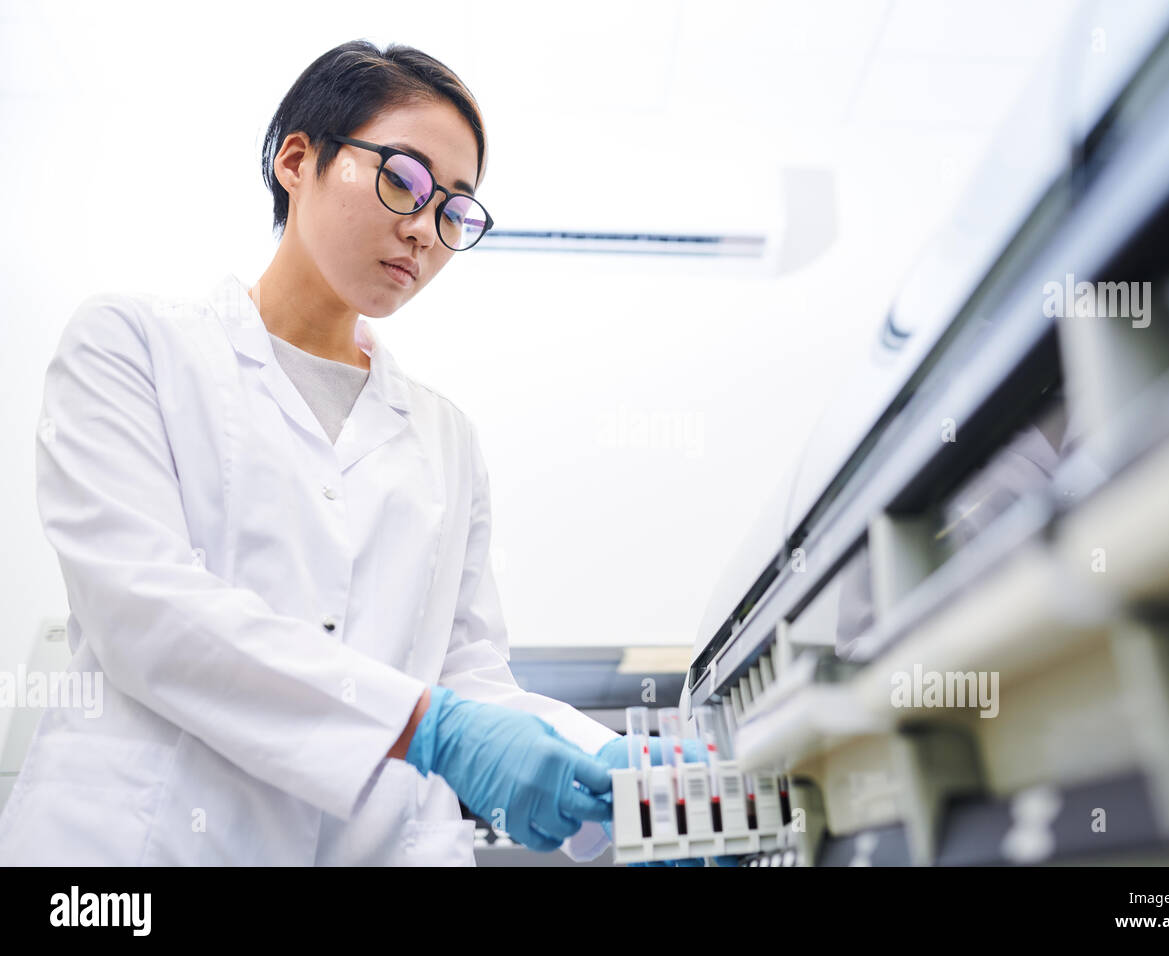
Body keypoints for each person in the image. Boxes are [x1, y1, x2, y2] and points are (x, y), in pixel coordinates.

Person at [0, 40, 698, 866]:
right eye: (403, 177)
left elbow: (466, 672)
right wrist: (422, 727)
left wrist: (611, 773)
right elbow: (145, 610)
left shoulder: (444, 436)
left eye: (453, 211)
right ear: (297, 159)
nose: (423, 231)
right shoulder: (132, 347)